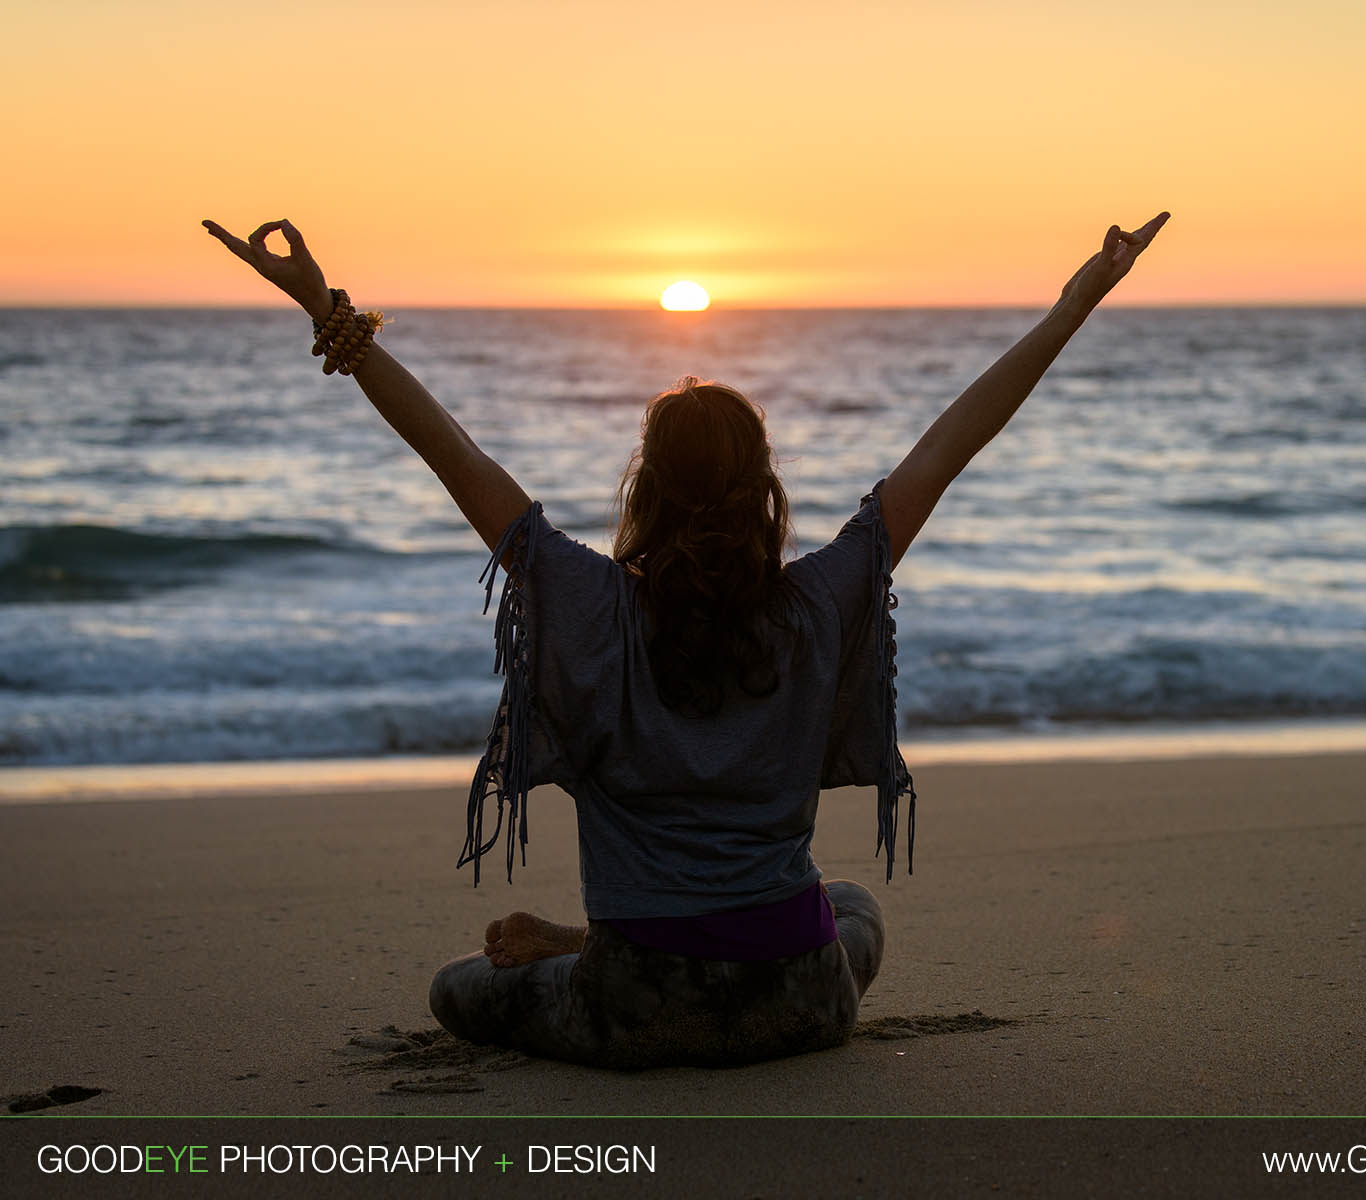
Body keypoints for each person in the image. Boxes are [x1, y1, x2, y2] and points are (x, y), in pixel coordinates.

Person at [201, 209, 1170, 1068]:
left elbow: (451, 450)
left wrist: (326, 310)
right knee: (854, 905)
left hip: (634, 1011)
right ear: (764, 488)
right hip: (804, 1000)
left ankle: (586, 942)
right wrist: (1075, 303)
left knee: (457, 988)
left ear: (645, 486)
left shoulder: (582, 596)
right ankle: (595, 939)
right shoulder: (823, 596)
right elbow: (951, 443)